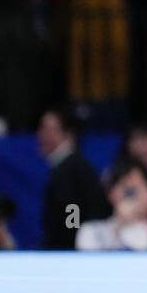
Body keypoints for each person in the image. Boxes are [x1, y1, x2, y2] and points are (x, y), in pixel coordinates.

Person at [37, 106, 109, 250]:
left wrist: (71, 241)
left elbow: (72, 207)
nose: (41, 135)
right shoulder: (68, 166)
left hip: (70, 250)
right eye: (42, 129)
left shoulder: (70, 168)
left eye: (49, 129)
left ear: (68, 134)